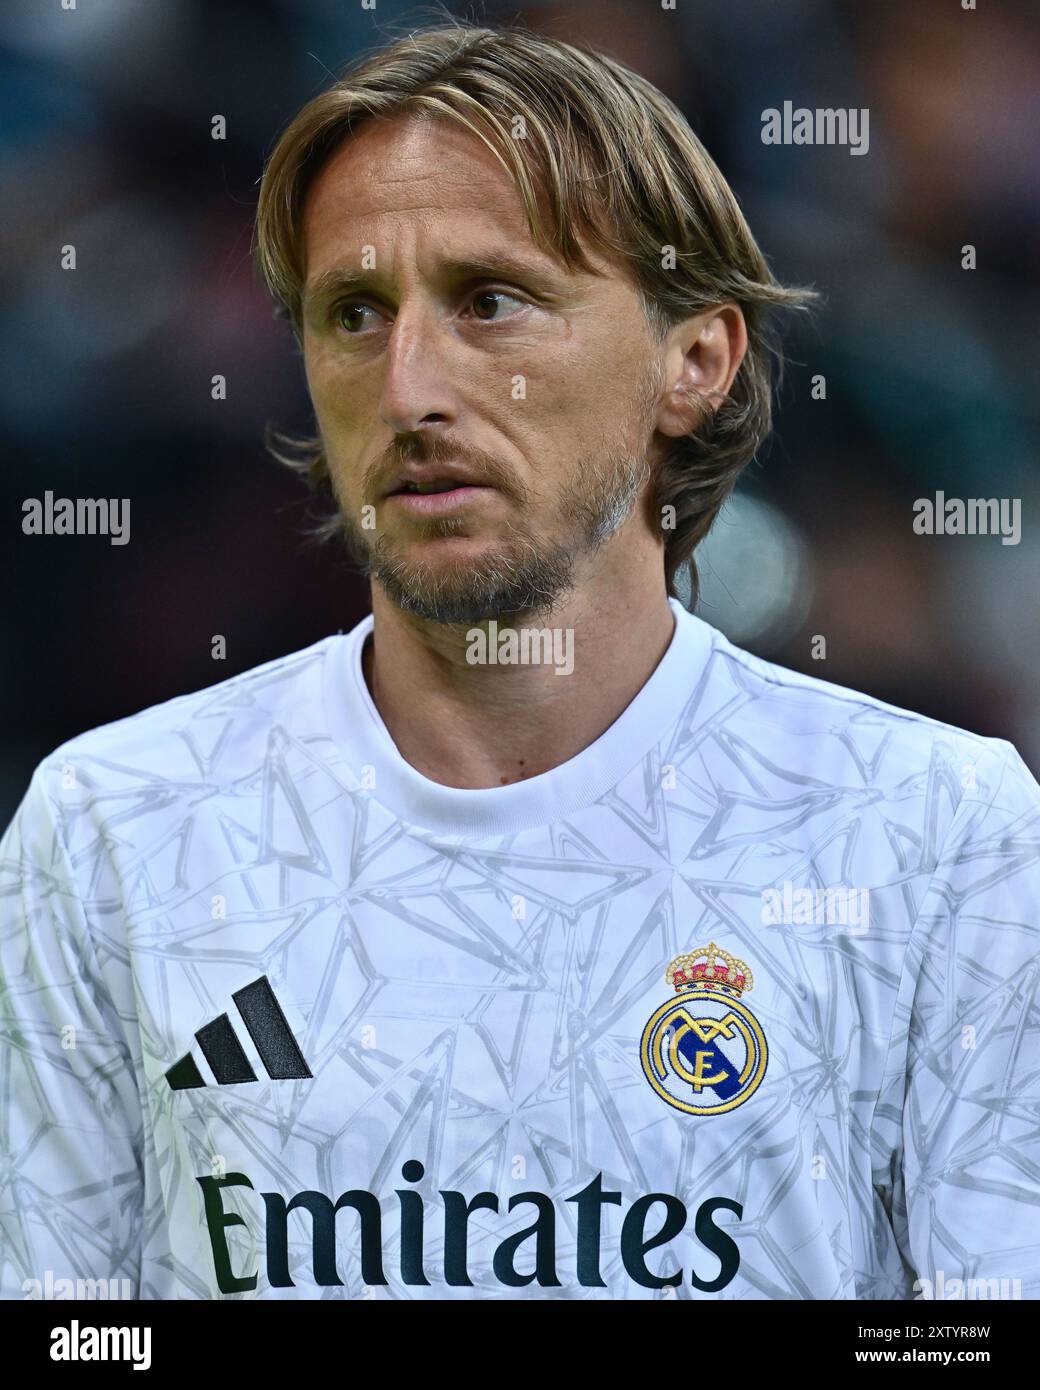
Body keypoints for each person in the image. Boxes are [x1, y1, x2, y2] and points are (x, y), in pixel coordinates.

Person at [2, 20, 1038, 1302]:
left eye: (490, 300)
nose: (410, 386)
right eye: (353, 313)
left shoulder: (938, 835)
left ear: (694, 359)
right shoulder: (116, 826)